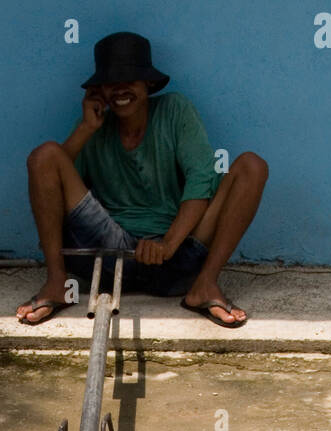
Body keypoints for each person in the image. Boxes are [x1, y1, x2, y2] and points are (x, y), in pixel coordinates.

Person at [16, 31, 268, 329]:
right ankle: (57, 283)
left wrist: (168, 243)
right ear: (100, 91)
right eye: (111, 83)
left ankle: (204, 287)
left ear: (148, 83)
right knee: (44, 155)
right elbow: (50, 178)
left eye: (130, 81)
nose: (121, 90)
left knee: (251, 166)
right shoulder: (95, 126)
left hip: (176, 255)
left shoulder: (175, 110)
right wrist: (86, 128)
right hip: (109, 251)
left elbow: (202, 179)